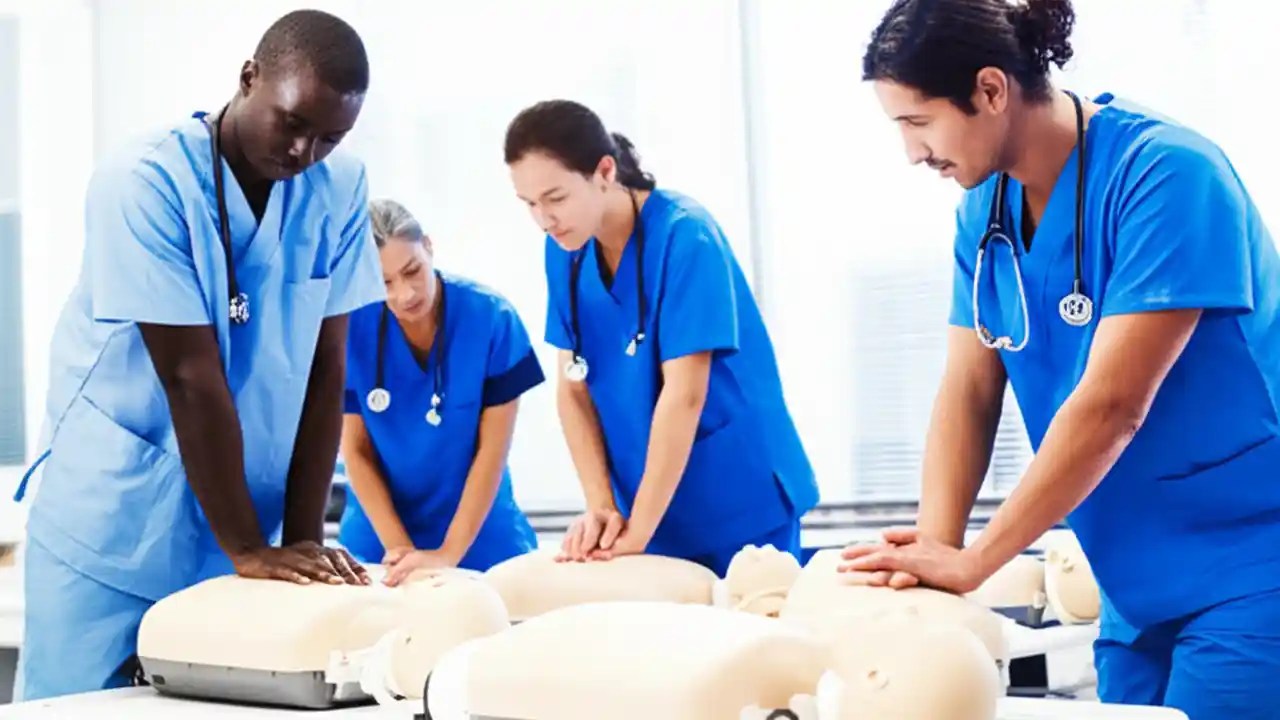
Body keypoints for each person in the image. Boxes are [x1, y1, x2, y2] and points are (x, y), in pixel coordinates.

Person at [839, 1, 1280, 717]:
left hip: (1250, 567)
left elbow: (1113, 406)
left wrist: (979, 560)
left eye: (917, 124)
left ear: (990, 89)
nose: (912, 154)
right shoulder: (983, 212)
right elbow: (968, 392)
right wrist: (931, 562)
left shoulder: (1168, 175)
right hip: (1131, 581)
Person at [13, 10, 384, 701]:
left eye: (330, 137)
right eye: (293, 122)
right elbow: (189, 376)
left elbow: (325, 371)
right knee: (80, 709)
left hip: (242, 533)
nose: (305, 152)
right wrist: (250, 547)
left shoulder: (338, 189)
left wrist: (302, 546)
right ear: (249, 78)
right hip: (115, 525)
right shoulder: (144, 182)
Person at [503, 100, 819, 577]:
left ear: (604, 171)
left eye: (556, 197)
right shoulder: (565, 250)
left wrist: (637, 532)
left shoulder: (685, 235)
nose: (544, 219)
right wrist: (601, 508)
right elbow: (573, 388)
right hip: (649, 505)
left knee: (755, 640)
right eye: (528, 204)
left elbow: (685, 394)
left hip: (735, 495)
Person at [337, 199, 544, 584]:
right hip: (379, 535)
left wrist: (448, 554)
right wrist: (400, 552)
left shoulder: (490, 318)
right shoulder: (350, 328)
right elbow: (356, 452)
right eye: (384, 283)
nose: (405, 294)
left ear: (429, 247)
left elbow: (491, 451)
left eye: (412, 270)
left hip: (480, 536)